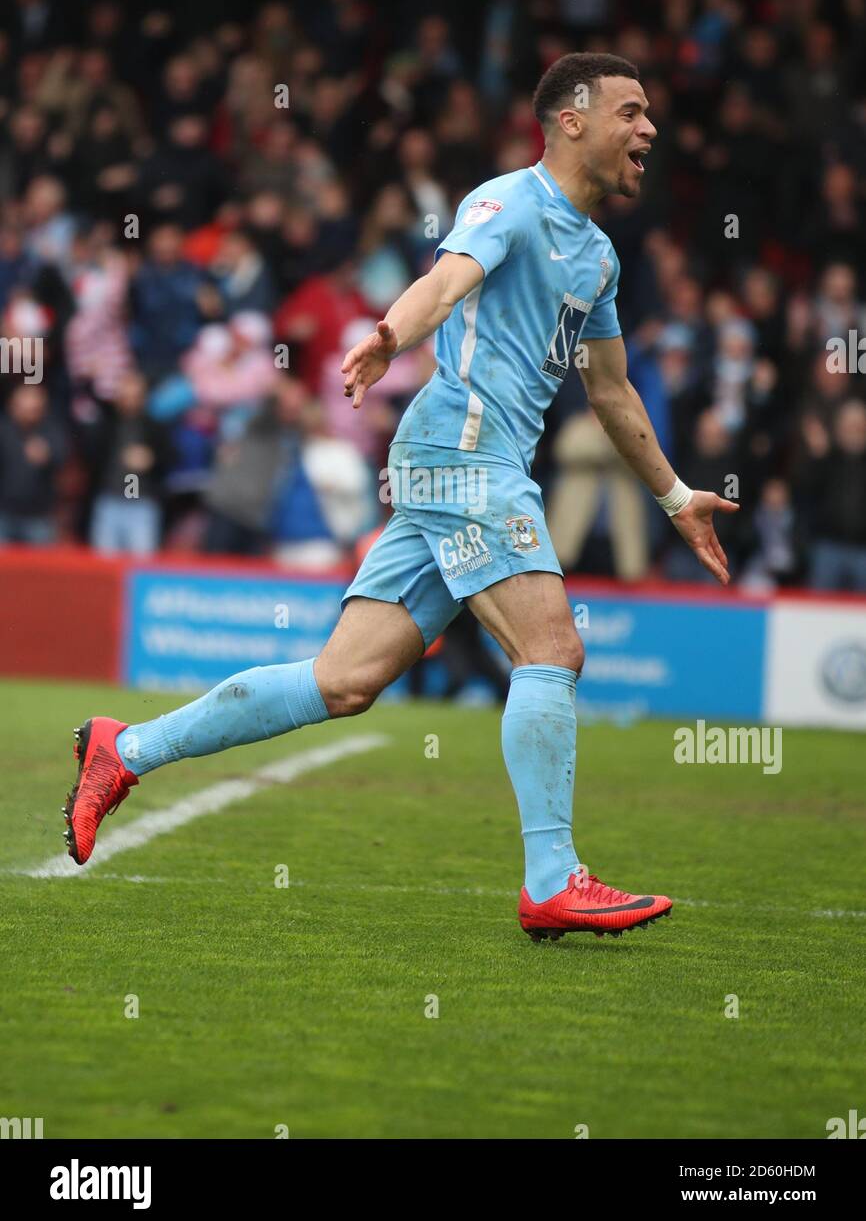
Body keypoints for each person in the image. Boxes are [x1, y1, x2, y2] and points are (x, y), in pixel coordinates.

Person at [61, 54, 738, 941]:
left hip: (460, 463)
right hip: (465, 457)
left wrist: (676, 495)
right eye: (631, 111)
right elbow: (448, 277)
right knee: (553, 647)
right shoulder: (508, 201)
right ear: (571, 119)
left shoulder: (600, 257)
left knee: (343, 681)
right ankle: (551, 878)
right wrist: (390, 334)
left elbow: (609, 391)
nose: (649, 129)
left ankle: (126, 748)